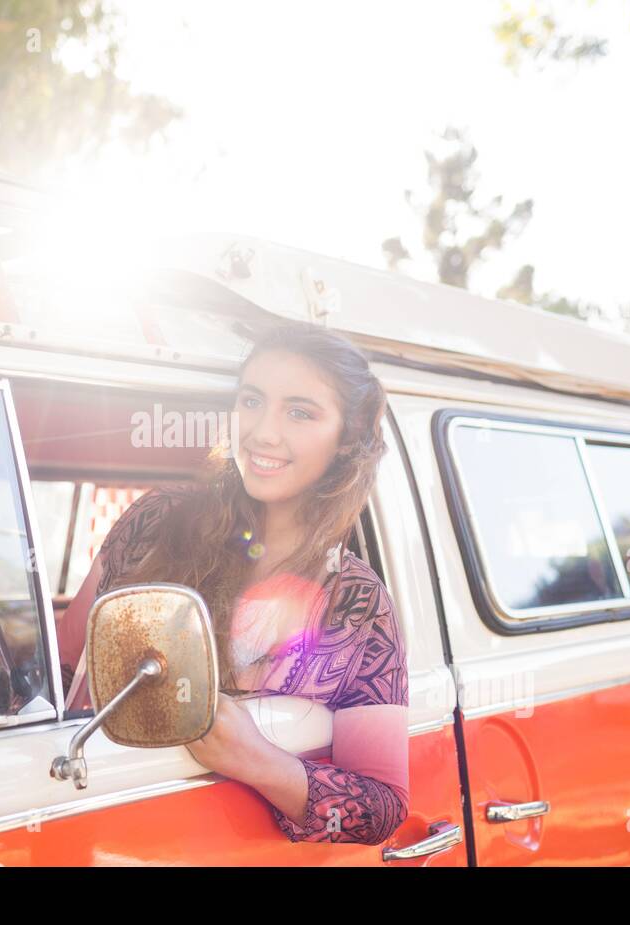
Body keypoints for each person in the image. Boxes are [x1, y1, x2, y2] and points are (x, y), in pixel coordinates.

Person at [57, 324, 410, 846]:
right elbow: (65, 667)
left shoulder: (355, 604)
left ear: (346, 439)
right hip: (87, 822)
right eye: (252, 400)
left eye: (299, 412)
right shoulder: (158, 520)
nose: (262, 432)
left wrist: (254, 759)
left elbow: (382, 808)